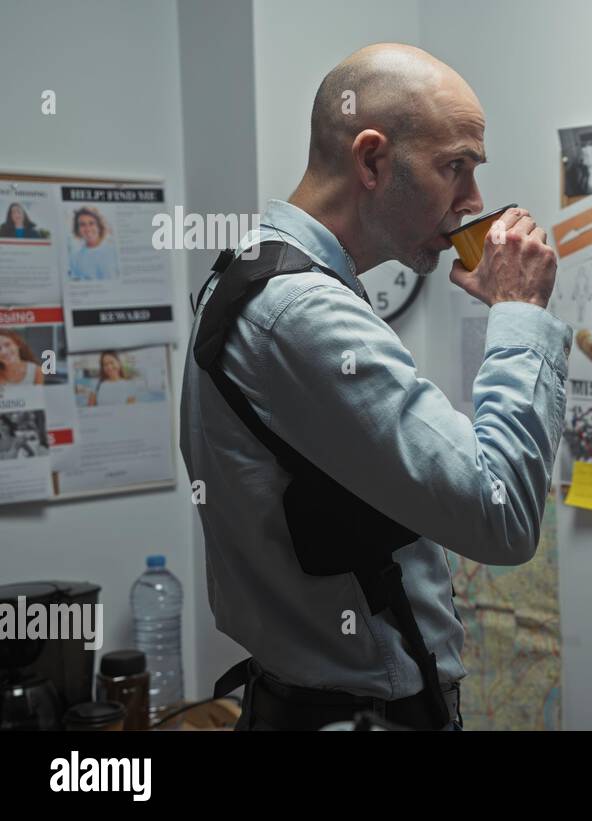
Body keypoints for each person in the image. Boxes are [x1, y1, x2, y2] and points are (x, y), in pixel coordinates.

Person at [180, 44, 570, 731]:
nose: (473, 203)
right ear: (371, 160)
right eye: (455, 168)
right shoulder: (302, 312)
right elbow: (500, 513)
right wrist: (520, 315)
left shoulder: (253, 269)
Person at [67, 207, 119, 281]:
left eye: (91, 223)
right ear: (78, 229)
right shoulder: (75, 257)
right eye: (82, 224)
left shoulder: (114, 250)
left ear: (99, 226)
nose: (87, 229)